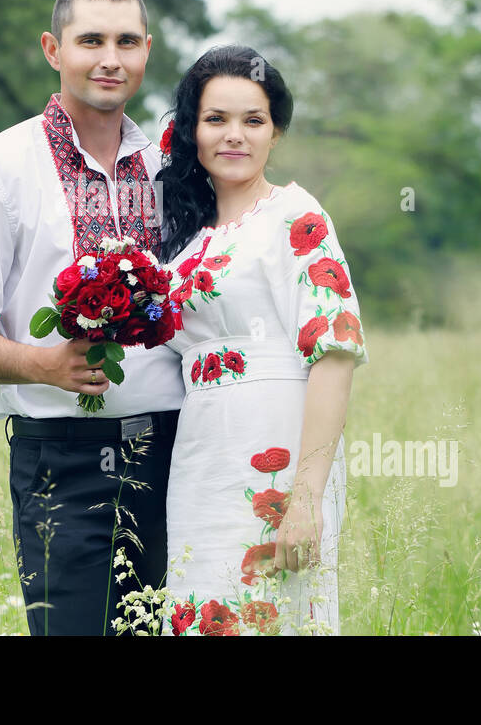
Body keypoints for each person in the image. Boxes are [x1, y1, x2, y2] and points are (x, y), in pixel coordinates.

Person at [0, 0, 184, 636]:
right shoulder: (0, 168)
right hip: (62, 460)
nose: (110, 58)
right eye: (90, 40)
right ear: (53, 48)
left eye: (127, 41)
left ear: (147, 51)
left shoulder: (171, 167)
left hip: (174, 453)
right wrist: (44, 365)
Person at [155, 45, 367, 636]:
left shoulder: (295, 216)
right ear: (190, 130)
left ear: (276, 133)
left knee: (277, 614)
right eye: (216, 119)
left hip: (274, 441)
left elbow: (334, 353)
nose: (235, 136)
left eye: (254, 120)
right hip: (200, 450)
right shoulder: (187, 240)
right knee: (203, 612)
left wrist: (305, 497)